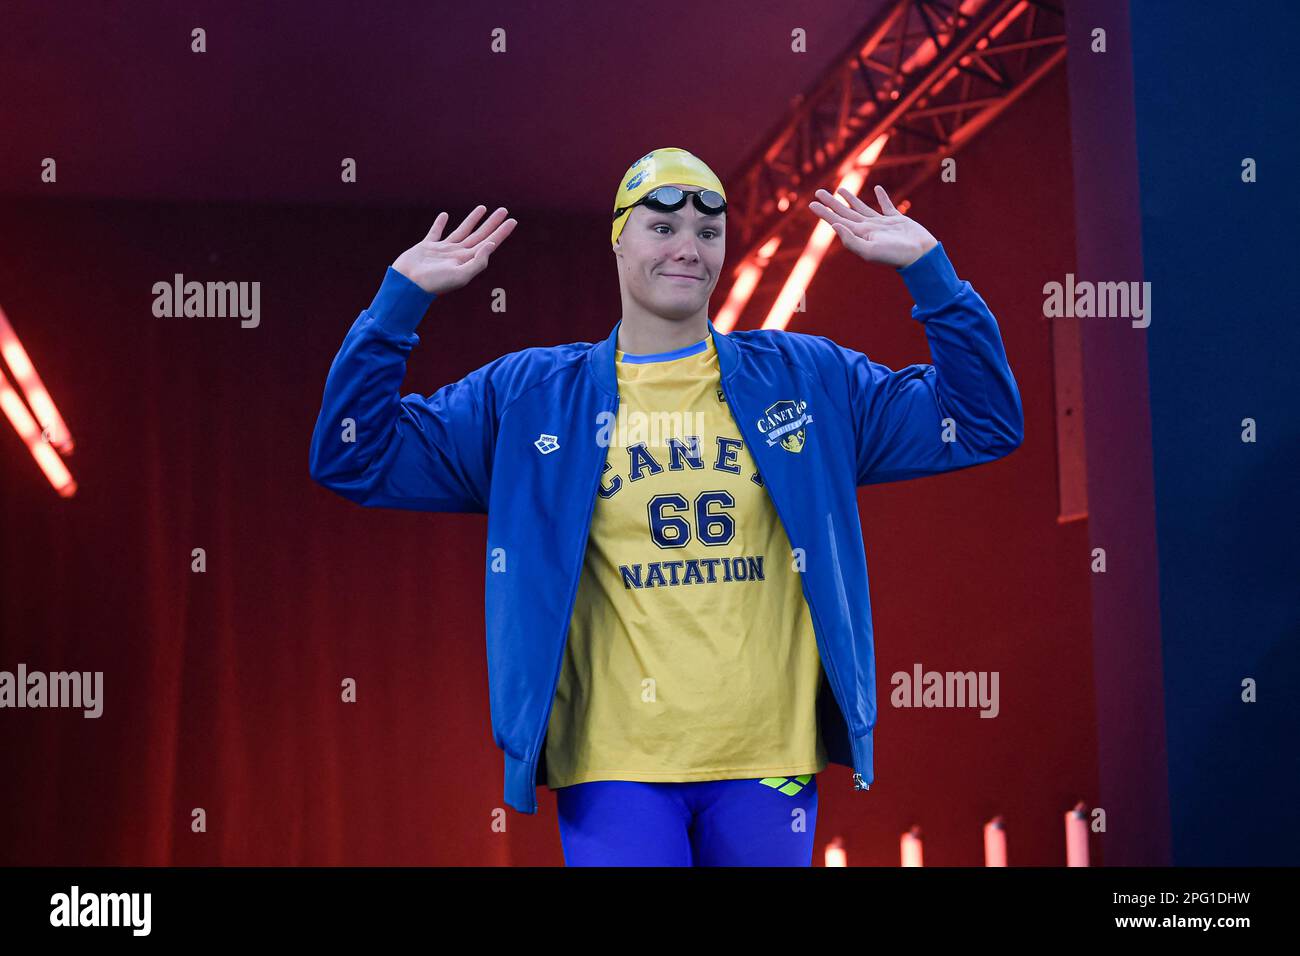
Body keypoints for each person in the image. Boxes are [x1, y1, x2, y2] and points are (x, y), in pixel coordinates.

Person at [308, 147, 1023, 866]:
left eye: (707, 233)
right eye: (661, 226)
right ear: (617, 237)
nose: (687, 248)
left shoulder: (805, 380)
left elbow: (984, 420)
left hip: (768, 761)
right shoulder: (529, 398)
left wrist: (931, 274)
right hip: (613, 764)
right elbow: (353, 455)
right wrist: (398, 303)